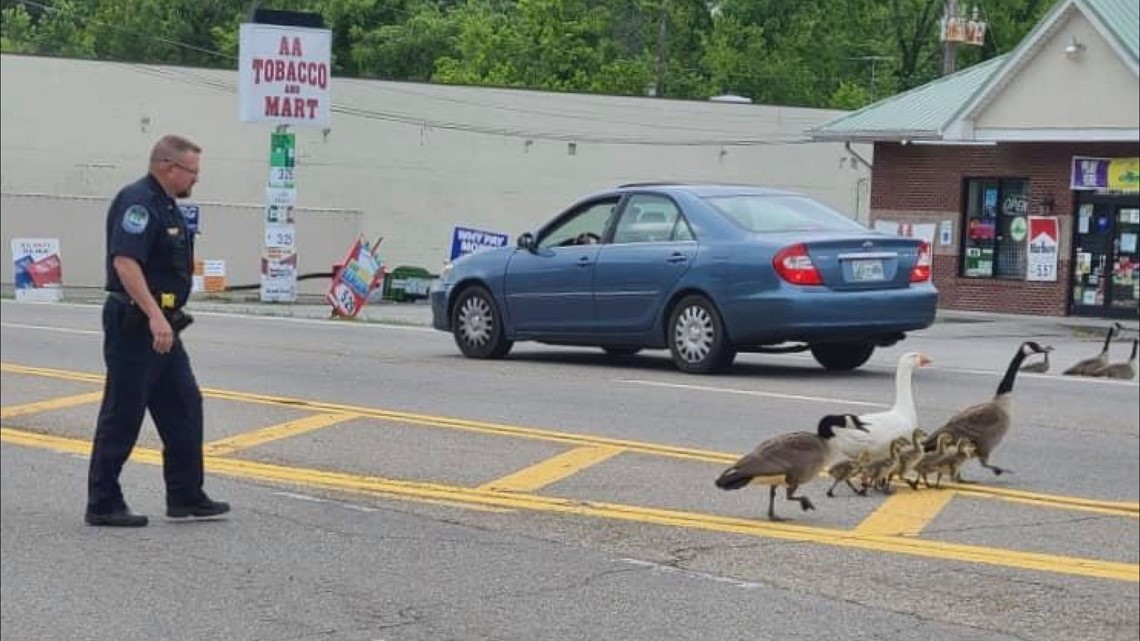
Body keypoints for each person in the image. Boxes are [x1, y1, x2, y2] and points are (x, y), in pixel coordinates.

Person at [85, 134, 229, 527]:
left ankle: (185, 495)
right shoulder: (138, 202)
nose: (195, 180)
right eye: (192, 172)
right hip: (137, 324)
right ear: (169, 166)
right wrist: (154, 315)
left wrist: (164, 317)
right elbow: (125, 263)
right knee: (123, 412)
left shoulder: (166, 205)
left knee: (184, 405)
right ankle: (103, 502)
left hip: (162, 324)